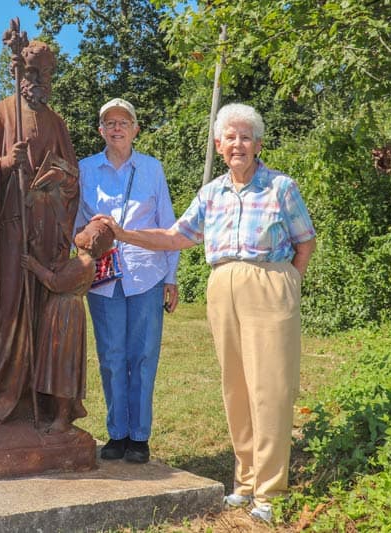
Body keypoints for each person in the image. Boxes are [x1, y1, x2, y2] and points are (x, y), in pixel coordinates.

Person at [94, 103, 317, 523]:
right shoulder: (211, 191)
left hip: (269, 283)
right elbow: (175, 236)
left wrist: (289, 284)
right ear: (218, 144)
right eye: (230, 137)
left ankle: (269, 488)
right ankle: (245, 480)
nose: (238, 144)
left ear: (259, 144)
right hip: (223, 285)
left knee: (269, 387)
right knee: (235, 386)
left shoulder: (280, 187)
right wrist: (123, 234)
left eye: (246, 136)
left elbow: (305, 242)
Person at [0, 40, 80, 424]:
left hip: (44, 236)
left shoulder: (57, 122)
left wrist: (52, 184)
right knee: (8, 310)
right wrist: (2, 164)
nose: (38, 82)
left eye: (45, 75)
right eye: (31, 74)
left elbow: (71, 179)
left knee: (42, 318)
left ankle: (37, 401)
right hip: (8, 237)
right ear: (18, 75)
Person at [76, 97, 180, 464]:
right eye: (109, 123)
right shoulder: (85, 169)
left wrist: (171, 276)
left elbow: (168, 225)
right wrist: (85, 243)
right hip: (104, 278)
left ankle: (139, 437)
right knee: (111, 357)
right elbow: (73, 225)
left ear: (136, 129)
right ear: (100, 130)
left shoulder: (152, 169)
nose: (117, 128)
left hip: (147, 275)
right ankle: (116, 433)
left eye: (124, 121)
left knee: (144, 355)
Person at [20, 219, 115, 433]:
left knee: (63, 366)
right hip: (58, 312)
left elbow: (56, 283)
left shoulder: (84, 265)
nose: (81, 228)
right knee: (55, 362)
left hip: (66, 317)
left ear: (92, 241)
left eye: (86, 230)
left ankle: (63, 416)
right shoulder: (77, 260)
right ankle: (65, 409)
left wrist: (34, 267)